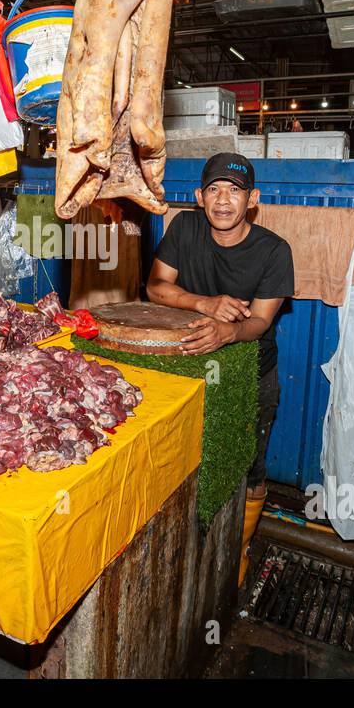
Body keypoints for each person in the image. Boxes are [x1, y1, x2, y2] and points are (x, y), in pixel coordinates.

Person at [147, 153, 294, 585]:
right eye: (214, 189)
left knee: (250, 465)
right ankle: (187, 551)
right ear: (199, 196)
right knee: (185, 458)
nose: (223, 200)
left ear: (253, 199)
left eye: (234, 191)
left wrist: (228, 332)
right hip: (189, 365)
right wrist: (204, 304)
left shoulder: (274, 251)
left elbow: (260, 321)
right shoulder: (184, 228)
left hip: (253, 373)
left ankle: (239, 553)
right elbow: (155, 287)